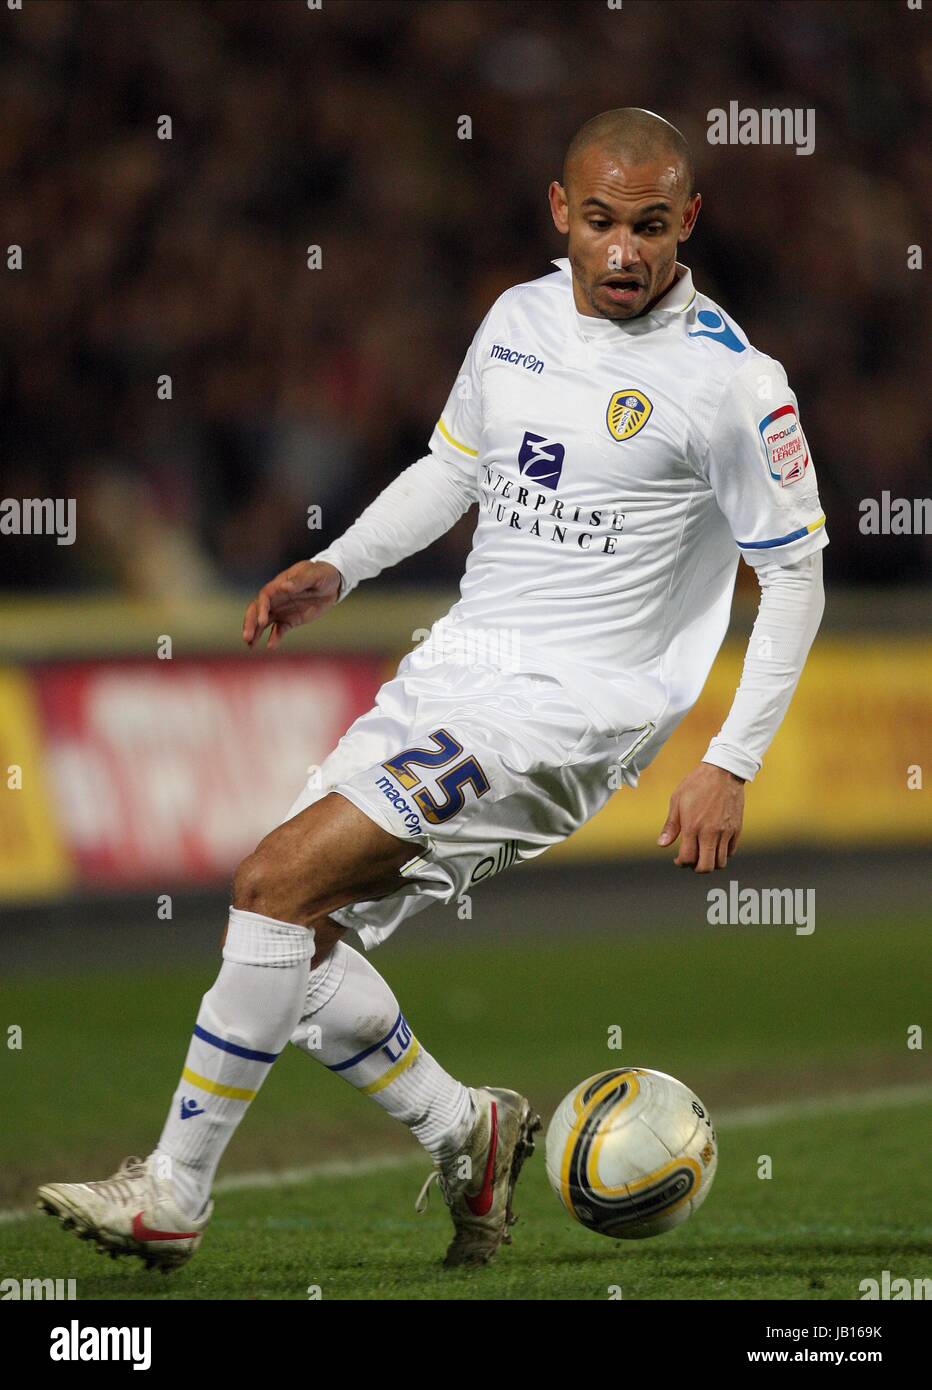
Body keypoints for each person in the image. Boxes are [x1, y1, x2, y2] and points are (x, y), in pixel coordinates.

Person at [37, 108, 827, 1272]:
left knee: (269, 881)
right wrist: (338, 564)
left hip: (569, 713)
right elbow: (452, 469)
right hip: (454, 669)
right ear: (561, 211)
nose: (622, 252)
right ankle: (470, 1128)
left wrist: (730, 758)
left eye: (649, 228)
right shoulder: (513, 319)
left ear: (686, 222)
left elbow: (795, 574)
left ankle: (173, 1193)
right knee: (291, 941)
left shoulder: (730, 382)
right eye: (600, 223)